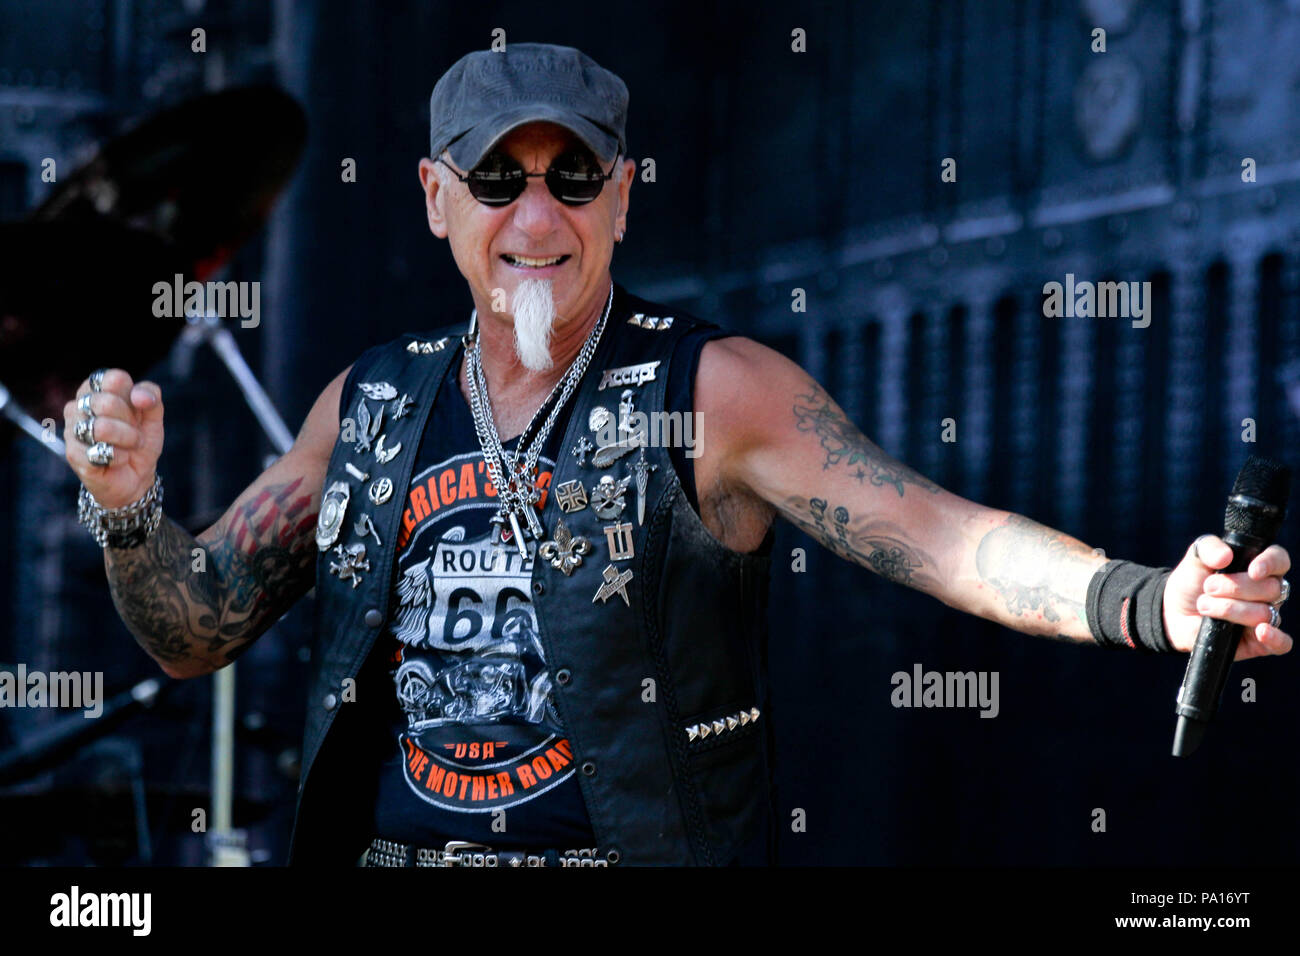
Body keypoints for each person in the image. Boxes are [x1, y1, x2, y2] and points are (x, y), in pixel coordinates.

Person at [63, 43, 1292, 868]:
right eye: (498, 178)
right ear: (437, 197)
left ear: (623, 195)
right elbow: (195, 629)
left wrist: (1148, 601)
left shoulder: (713, 389)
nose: (535, 216)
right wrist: (127, 506)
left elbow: (934, 532)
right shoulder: (372, 400)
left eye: (572, 176)